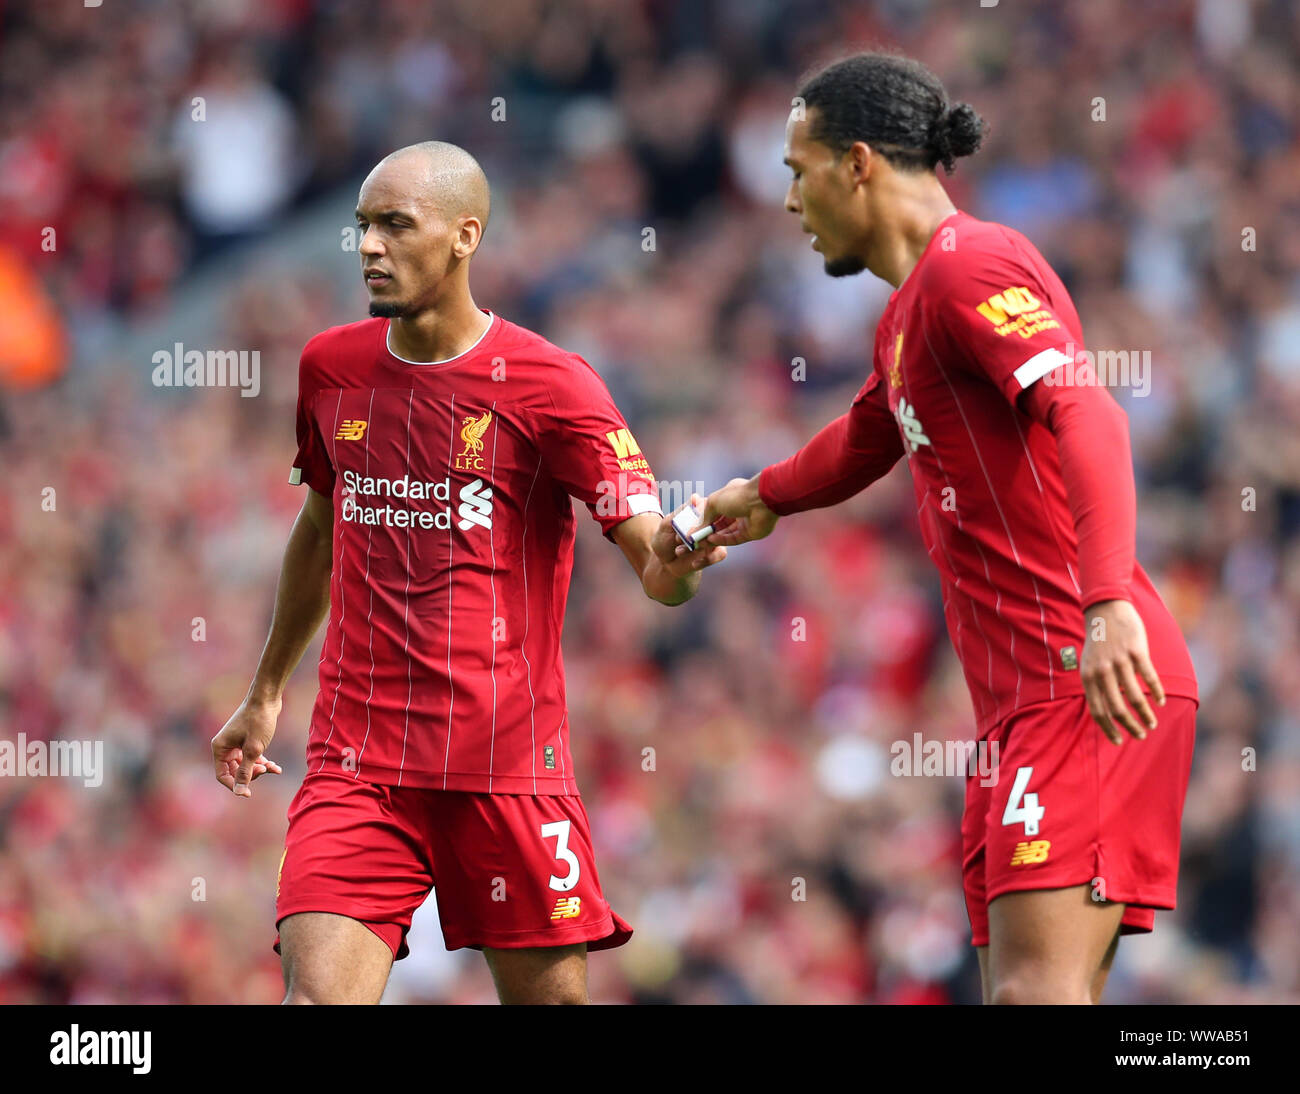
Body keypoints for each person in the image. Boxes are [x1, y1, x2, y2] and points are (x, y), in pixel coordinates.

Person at [695, 53, 1198, 1005]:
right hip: (1021, 712)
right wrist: (760, 495)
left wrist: (1104, 609)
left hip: (1084, 677)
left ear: (856, 164)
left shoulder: (973, 265)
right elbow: (865, 436)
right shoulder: (905, 313)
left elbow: (1090, 412)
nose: (790, 203)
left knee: (1028, 999)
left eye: (797, 172)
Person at [211, 141, 727, 1005]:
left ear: (464, 237)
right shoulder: (330, 369)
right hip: (357, 763)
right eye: (362, 226)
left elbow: (652, 562)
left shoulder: (552, 385)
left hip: (508, 769)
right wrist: (265, 692)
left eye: (395, 225)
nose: (370, 247)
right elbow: (320, 526)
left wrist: (679, 565)